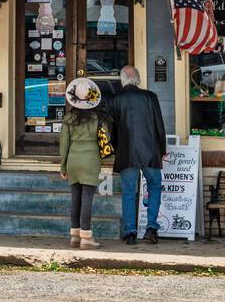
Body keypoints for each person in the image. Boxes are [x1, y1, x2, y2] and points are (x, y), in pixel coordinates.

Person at [104, 65, 167, 245]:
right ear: (137, 79)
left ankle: (130, 232)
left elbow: (111, 130)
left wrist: (116, 148)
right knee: (155, 187)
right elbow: (159, 127)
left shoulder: (115, 100)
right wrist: (162, 149)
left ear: (123, 79)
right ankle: (151, 229)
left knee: (129, 193)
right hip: (150, 152)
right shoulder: (150, 97)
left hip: (127, 153)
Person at [59, 77, 107, 250]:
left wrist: (63, 166)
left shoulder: (68, 118)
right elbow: (105, 139)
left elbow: (64, 145)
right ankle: (86, 237)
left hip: (73, 160)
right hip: (91, 160)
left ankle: (74, 236)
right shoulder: (97, 118)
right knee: (87, 198)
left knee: (75, 199)